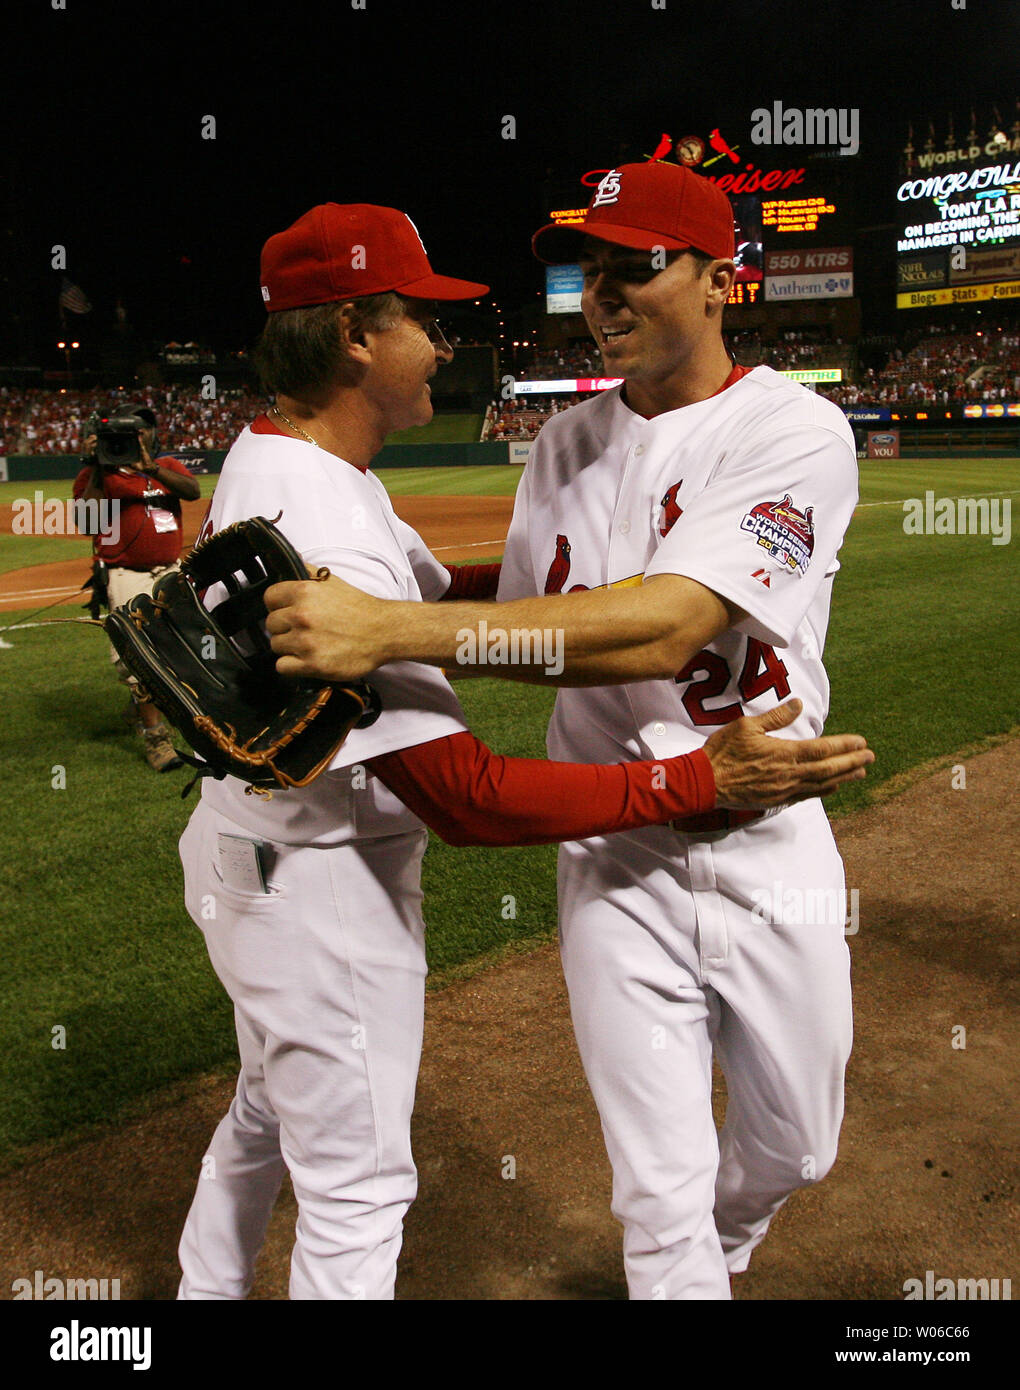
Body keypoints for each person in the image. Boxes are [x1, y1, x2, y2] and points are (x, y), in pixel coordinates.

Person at [176, 200, 872, 1302]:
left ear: (719, 281)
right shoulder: (546, 447)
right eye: (591, 271)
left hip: (760, 828)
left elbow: (649, 618)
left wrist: (391, 622)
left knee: (800, 1146)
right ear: (358, 335)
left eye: (631, 267)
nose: (598, 296)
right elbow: (466, 791)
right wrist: (690, 779)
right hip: (570, 848)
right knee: (613, 1196)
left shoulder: (793, 428)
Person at [74, 406, 201, 770]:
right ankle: (157, 739)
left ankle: (140, 707)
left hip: (170, 571)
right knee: (137, 659)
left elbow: (192, 491)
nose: (137, 436)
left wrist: (151, 469)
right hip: (125, 574)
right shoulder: (95, 475)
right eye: (129, 432)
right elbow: (87, 521)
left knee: (180, 651)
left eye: (142, 429)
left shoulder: (166, 467)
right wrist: (99, 465)